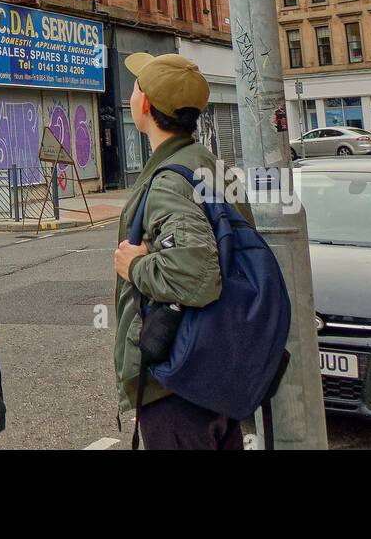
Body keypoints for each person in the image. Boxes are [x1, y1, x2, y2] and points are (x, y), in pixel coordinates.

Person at [113, 53, 249, 450]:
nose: (133, 90)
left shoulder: (171, 180)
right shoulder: (208, 165)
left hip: (178, 381)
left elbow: (196, 275)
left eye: (138, 85)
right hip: (217, 366)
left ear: (145, 105)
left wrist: (136, 266)